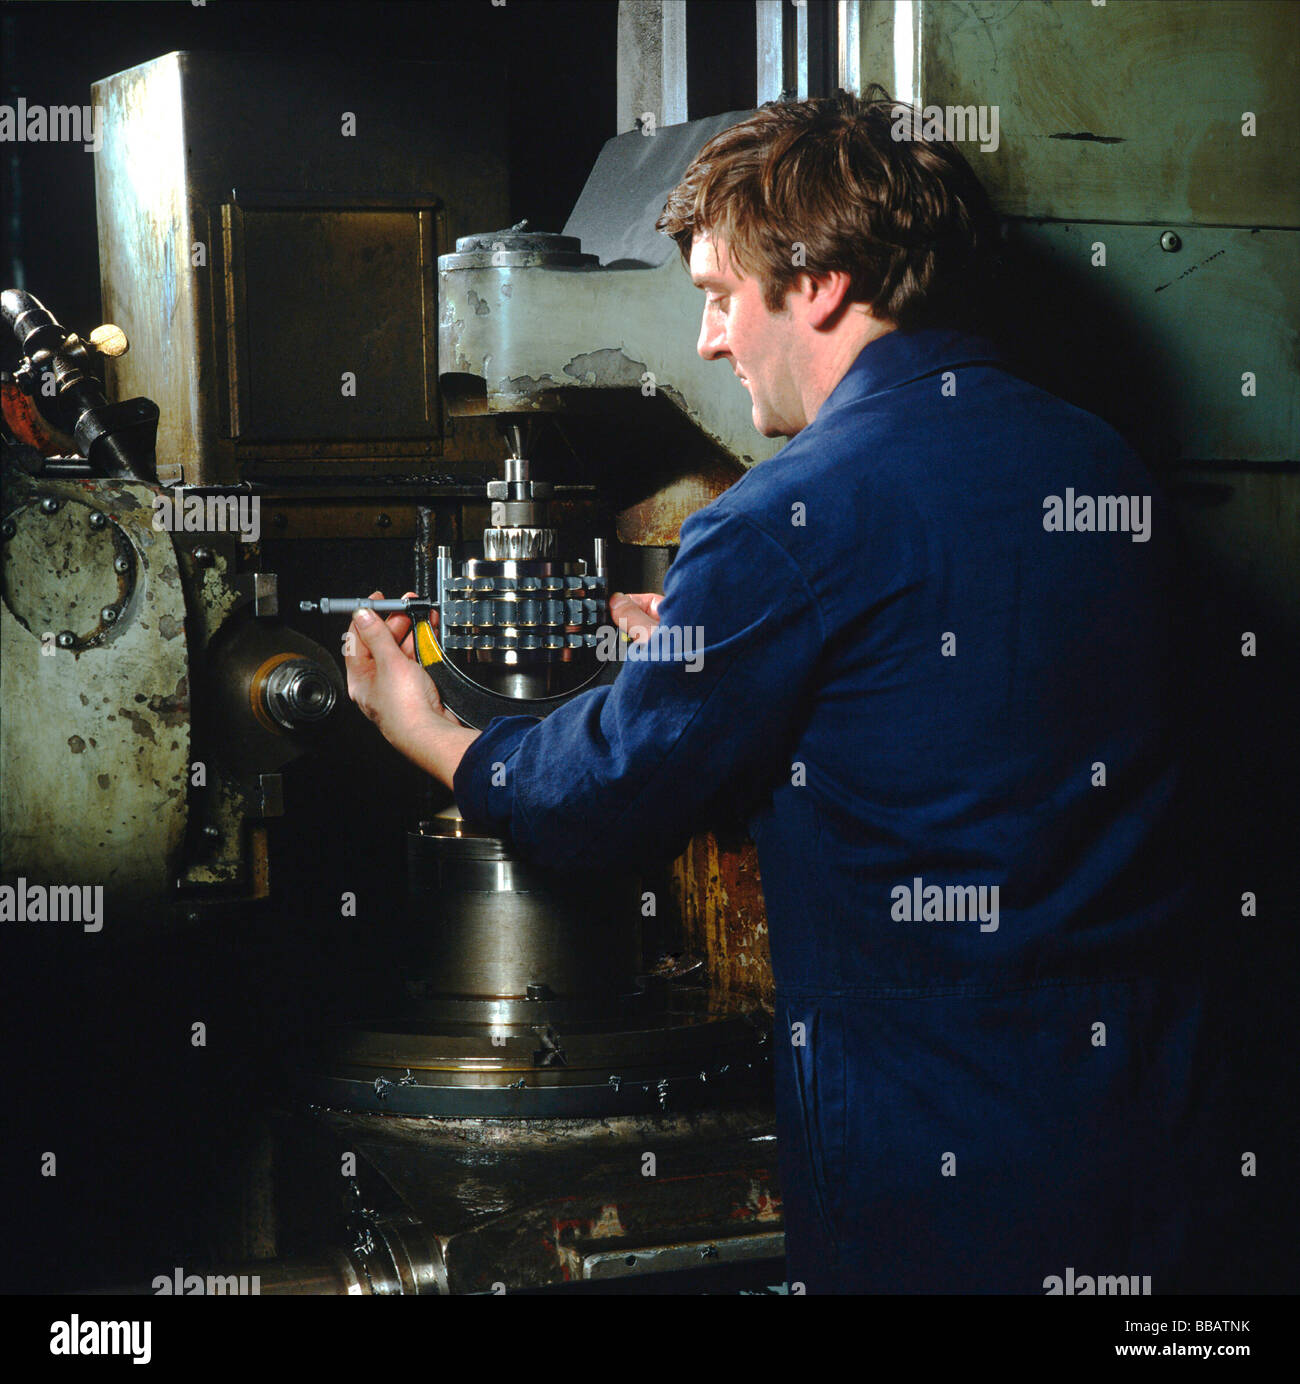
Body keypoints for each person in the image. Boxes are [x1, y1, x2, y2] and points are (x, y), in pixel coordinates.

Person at [345, 91, 1226, 1293]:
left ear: (813, 284)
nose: (708, 339)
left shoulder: (782, 520)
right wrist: (729, 650)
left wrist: (439, 733)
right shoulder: (1094, 459)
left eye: (717, 296)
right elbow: (951, 700)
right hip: (1150, 1111)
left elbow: (604, 801)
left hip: (934, 1143)